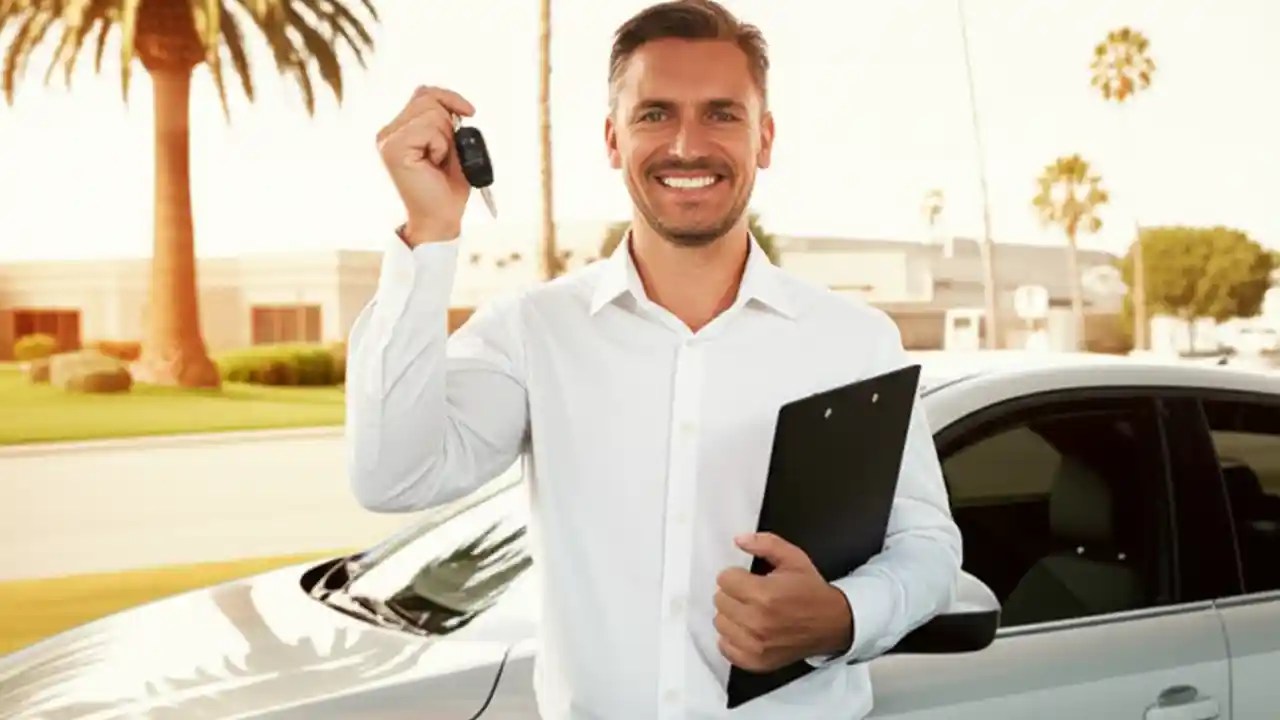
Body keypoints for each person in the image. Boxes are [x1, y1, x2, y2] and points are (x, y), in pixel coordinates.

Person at [346, 1, 962, 717]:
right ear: (613, 139)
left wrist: (843, 615)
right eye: (655, 114)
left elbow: (927, 545)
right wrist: (429, 230)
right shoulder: (532, 331)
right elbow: (392, 475)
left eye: (722, 114)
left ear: (764, 137)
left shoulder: (854, 341)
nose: (686, 145)